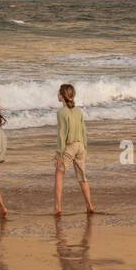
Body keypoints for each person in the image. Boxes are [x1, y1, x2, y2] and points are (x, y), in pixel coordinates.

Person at [54, 83, 94, 216]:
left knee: (59, 173)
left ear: (62, 96)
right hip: (81, 146)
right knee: (82, 177)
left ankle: (58, 207)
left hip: (69, 147)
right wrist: (85, 148)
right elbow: (84, 131)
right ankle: (89, 205)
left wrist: (59, 153)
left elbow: (62, 134)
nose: (57, 95)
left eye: (59, 93)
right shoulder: (78, 111)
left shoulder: (61, 112)